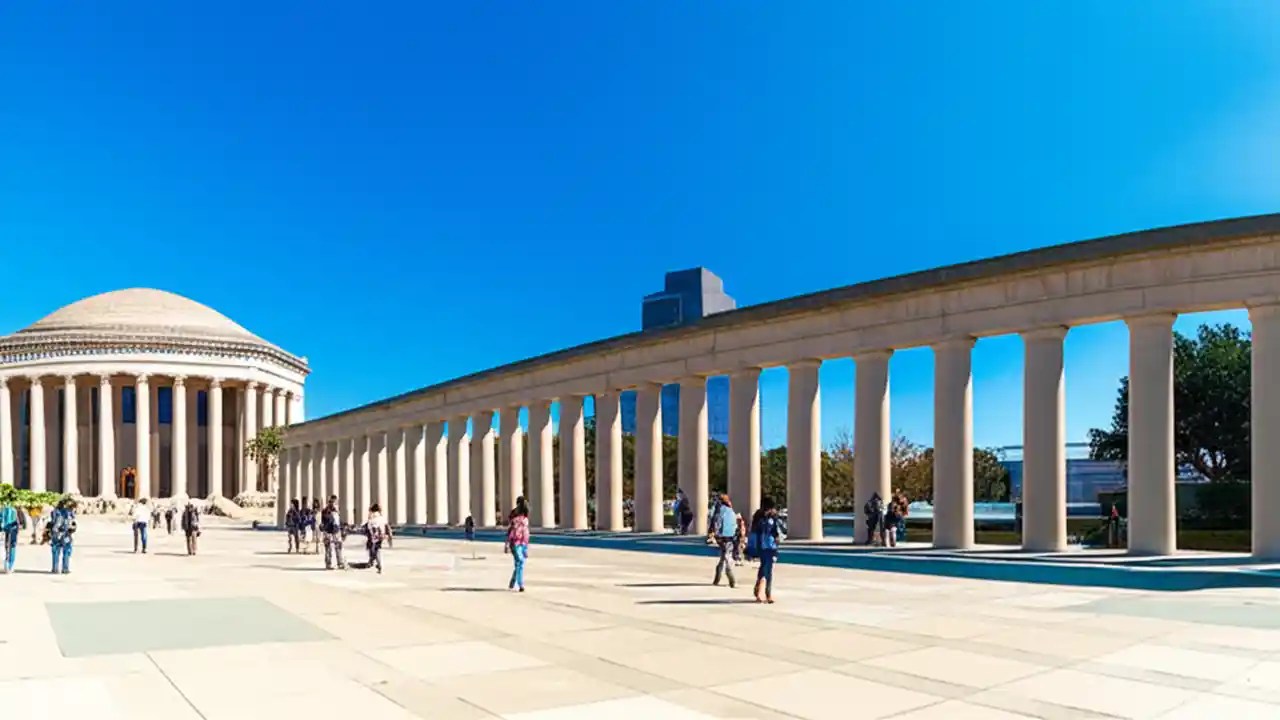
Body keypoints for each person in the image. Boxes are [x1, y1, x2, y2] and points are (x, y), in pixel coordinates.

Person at [747, 496, 783, 604]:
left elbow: (776, 531)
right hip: (762, 546)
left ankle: (767, 593)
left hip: (771, 547)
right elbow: (754, 532)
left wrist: (777, 540)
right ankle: (761, 591)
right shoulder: (759, 518)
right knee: (764, 568)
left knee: (769, 570)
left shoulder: (774, 518)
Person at [709, 494, 737, 588]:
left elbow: (715, 522)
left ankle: (720, 577)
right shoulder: (730, 510)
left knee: (723, 556)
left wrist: (713, 533)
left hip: (721, 536)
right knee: (726, 556)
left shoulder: (719, 510)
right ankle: (729, 578)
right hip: (729, 536)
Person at [506, 496, 530, 592]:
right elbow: (511, 531)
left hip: (522, 542)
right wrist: (507, 543)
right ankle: (520, 584)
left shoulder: (524, 515)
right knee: (520, 562)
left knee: (519, 564)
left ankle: (513, 581)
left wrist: (526, 547)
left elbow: (525, 531)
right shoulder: (515, 516)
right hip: (516, 542)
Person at [48, 498, 76, 574]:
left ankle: (56, 568)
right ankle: (64, 568)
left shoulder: (55, 512)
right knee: (65, 550)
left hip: (58, 533)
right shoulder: (67, 512)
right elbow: (72, 522)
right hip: (64, 533)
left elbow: (53, 521)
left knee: (58, 551)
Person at [320, 495, 345, 570]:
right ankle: (328, 564)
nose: (335, 504)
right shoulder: (326, 511)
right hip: (328, 532)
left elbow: (338, 521)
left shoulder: (336, 511)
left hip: (336, 531)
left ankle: (340, 563)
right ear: (330, 502)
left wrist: (342, 528)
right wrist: (331, 514)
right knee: (328, 548)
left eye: (336, 502)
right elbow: (326, 520)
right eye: (334, 502)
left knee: (338, 547)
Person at [1, 495, 22, 574]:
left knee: (7, 547)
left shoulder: (4, 510)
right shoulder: (15, 510)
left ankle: (7, 565)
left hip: (7, 531)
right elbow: (20, 523)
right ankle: (10, 565)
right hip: (12, 531)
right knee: (11, 547)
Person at [364, 503, 388, 574]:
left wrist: (372, 535)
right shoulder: (381, 517)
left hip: (374, 537)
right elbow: (386, 526)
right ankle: (373, 562)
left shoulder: (373, 518)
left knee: (375, 550)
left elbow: (372, 528)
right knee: (375, 549)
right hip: (380, 536)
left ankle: (379, 565)